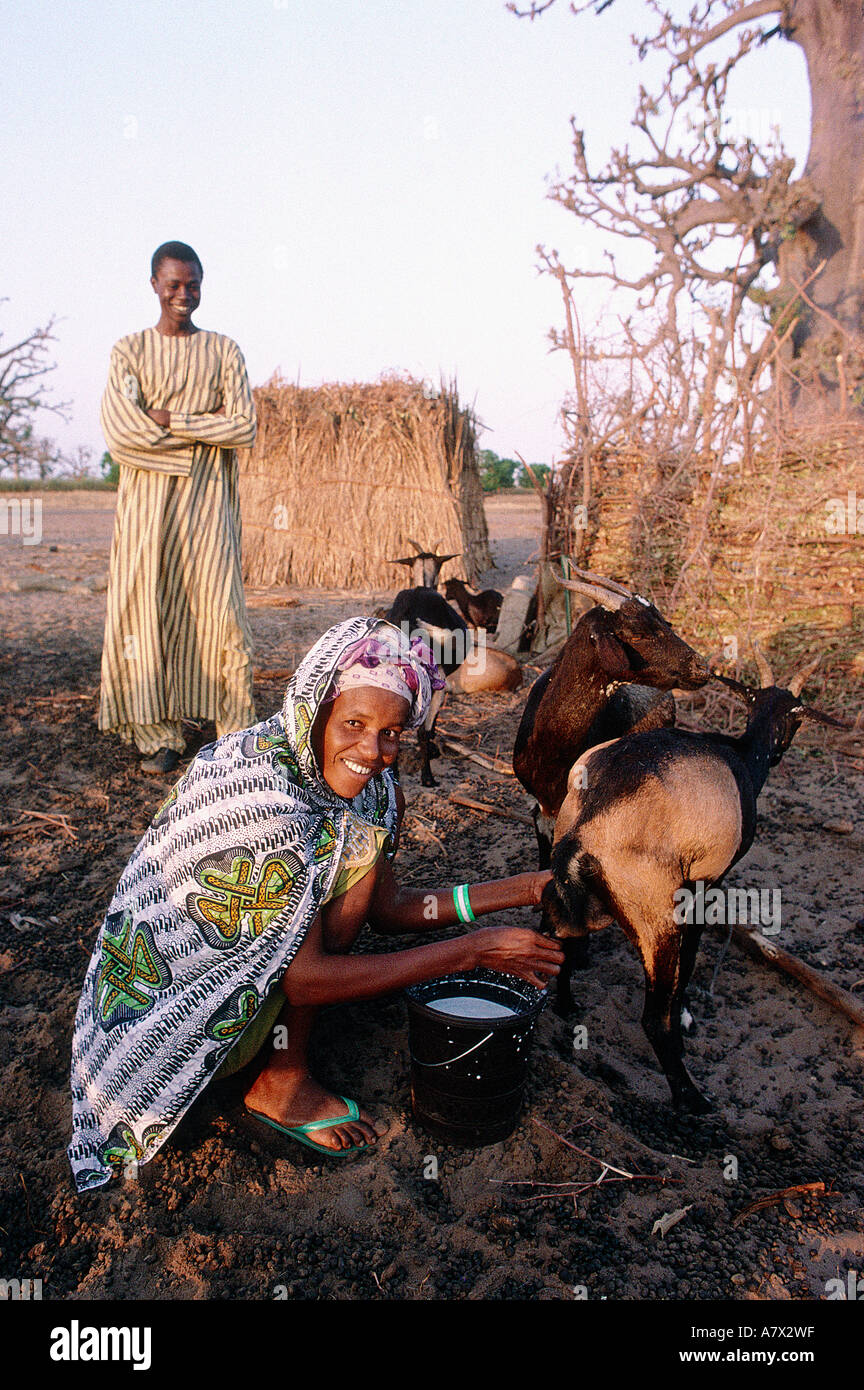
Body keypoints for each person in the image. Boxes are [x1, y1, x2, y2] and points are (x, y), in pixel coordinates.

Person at [68, 617, 561, 1188]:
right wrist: (471, 953)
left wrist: (524, 889)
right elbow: (307, 982)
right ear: (316, 709)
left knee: (351, 852)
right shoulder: (266, 802)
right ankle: (281, 1080)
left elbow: (392, 906)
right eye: (354, 723)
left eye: (393, 733)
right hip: (180, 1025)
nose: (372, 750)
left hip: (255, 985)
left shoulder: (365, 786)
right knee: (334, 869)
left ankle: (281, 1064)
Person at [98, 240, 257, 776]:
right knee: (146, 610)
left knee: (222, 615)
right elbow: (123, 432)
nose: (183, 295)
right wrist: (199, 431)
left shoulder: (224, 350)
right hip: (145, 508)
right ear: (154, 286)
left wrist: (169, 417)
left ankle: (232, 737)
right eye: (173, 285)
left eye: (192, 285)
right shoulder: (129, 351)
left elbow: (243, 426)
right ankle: (158, 735)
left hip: (209, 508)